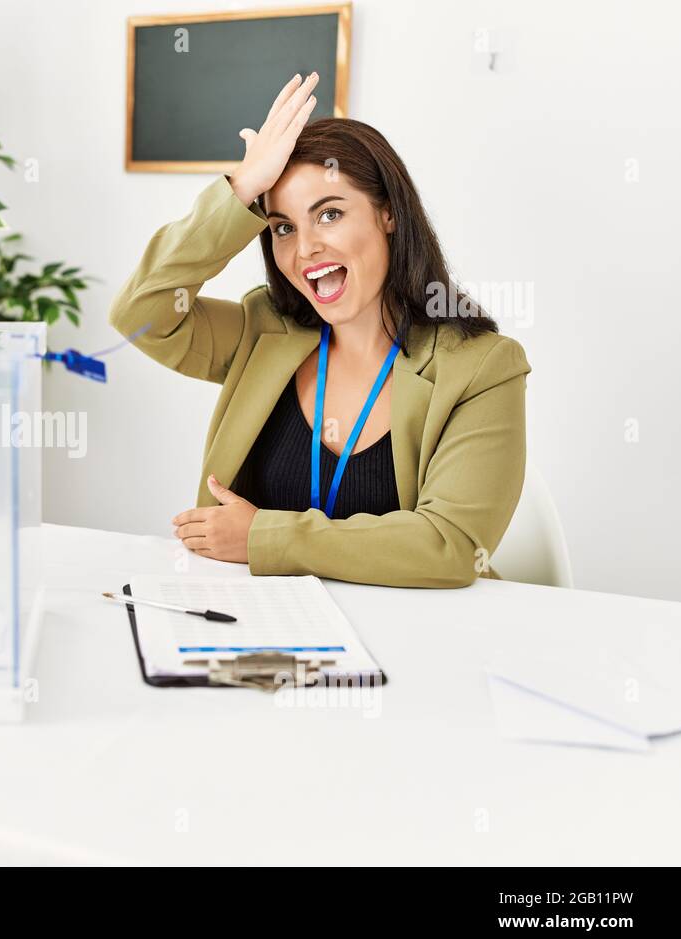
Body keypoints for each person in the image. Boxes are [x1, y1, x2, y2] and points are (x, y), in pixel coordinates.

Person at [109, 72, 530, 587]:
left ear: (389, 214)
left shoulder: (482, 366)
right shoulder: (263, 331)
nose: (304, 248)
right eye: (284, 226)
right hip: (266, 631)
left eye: (328, 214)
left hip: (418, 644)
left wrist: (263, 537)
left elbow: (451, 548)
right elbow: (140, 316)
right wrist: (241, 190)